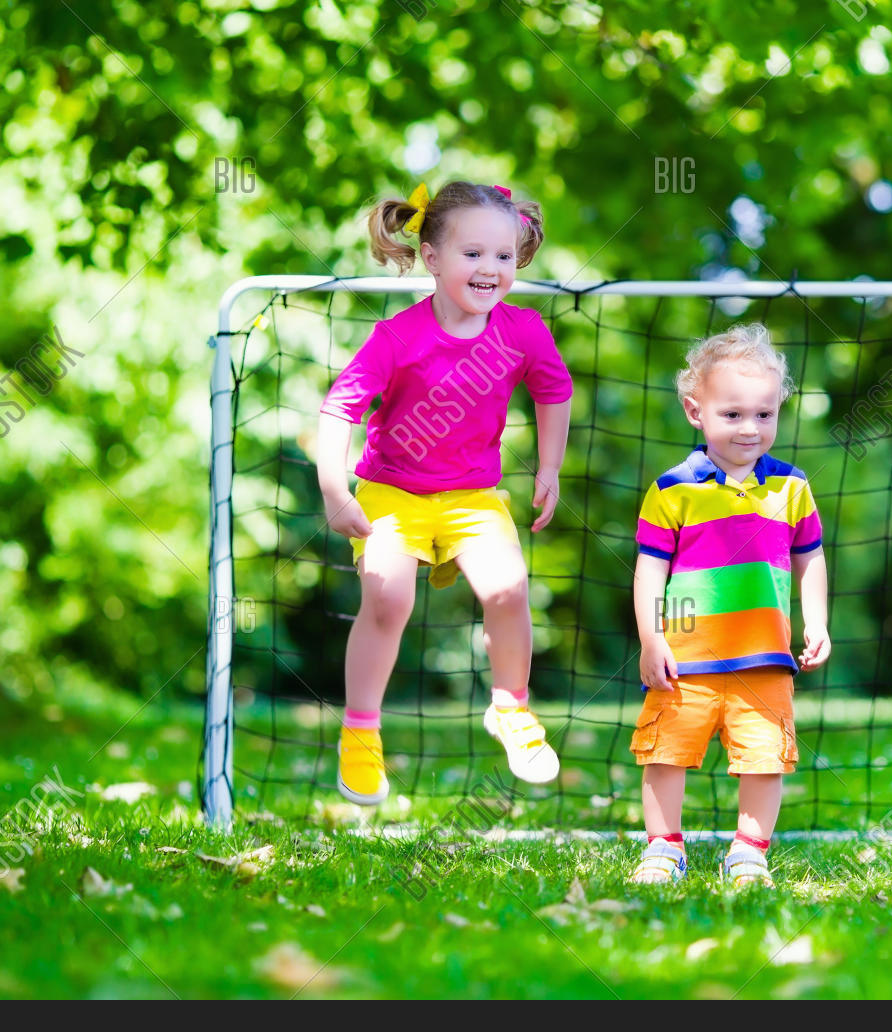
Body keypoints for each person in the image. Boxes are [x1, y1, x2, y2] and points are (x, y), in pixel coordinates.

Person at [316, 180, 571, 805]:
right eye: (473, 254)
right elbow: (340, 408)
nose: (491, 269)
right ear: (432, 258)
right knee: (386, 598)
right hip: (390, 493)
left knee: (509, 589)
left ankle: (511, 708)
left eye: (504, 257)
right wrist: (333, 487)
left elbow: (553, 391)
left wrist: (549, 467)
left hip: (472, 497)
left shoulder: (524, 331)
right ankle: (360, 731)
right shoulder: (397, 337)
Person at [629, 323, 831, 886]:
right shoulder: (673, 490)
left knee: (765, 758)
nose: (750, 428)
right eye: (733, 414)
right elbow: (650, 569)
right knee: (664, 753)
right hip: (684, 660)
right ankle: (664, 849)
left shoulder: (791, 488)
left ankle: (749, 851)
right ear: (696, 411)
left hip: (764, 659)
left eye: (764, 414)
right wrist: (652, 639)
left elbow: (811, 557)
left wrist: (817, 623)